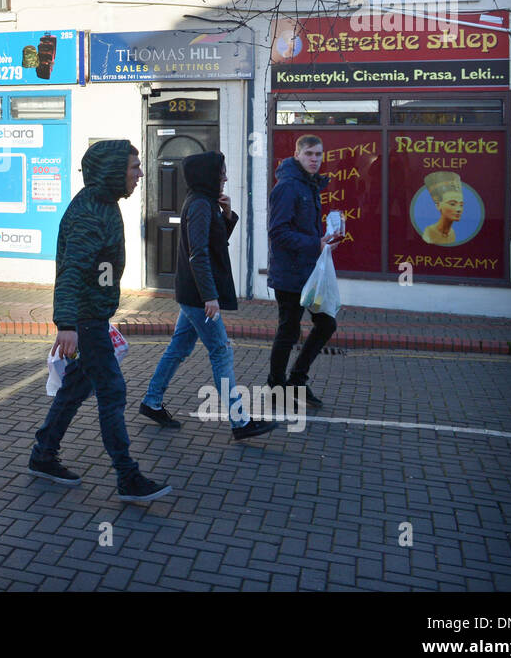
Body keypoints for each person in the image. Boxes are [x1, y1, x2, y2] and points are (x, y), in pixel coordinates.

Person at [28, 140, 171, 503]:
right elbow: (72, 271)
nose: (139, 174)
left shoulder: (106, 205)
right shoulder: (90, 212)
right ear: (112, 171)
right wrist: (67, 325)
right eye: (133, 167)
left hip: (94, 317)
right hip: (86, 321)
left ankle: (43, 454)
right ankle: (127, 477)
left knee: (75, 387)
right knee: (112, 391)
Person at [139, 152, 278, 440]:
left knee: (179, 348)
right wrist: (209, 297)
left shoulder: (204, 202)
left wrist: (226, 216)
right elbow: (198, 253)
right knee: (221, 351)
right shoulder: (200, 204)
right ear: (208, 175)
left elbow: (214, 243)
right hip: (198, 296)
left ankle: (151, 402)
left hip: (192, 293)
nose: (225, 177)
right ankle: (240, 422)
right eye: (221, 173)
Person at [266, 135, 343, 408]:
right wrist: (315, 243)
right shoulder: (288, 187)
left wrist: (326, 240)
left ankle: (297, 380)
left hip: (309, 273)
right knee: (288, 330)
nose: (315, 159)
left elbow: (302, 229)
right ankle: (276, 387)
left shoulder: (309, 185)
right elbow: (277, 232)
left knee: (326, 323)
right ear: (297, 154)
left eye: (319, 154)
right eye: (309, 153)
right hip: (289, 274)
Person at [421, 171, 464, 245]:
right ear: (438, 206)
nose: (459, 209)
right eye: (452, 204)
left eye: (461, 205)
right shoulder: (429, 232)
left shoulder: (452, 233)